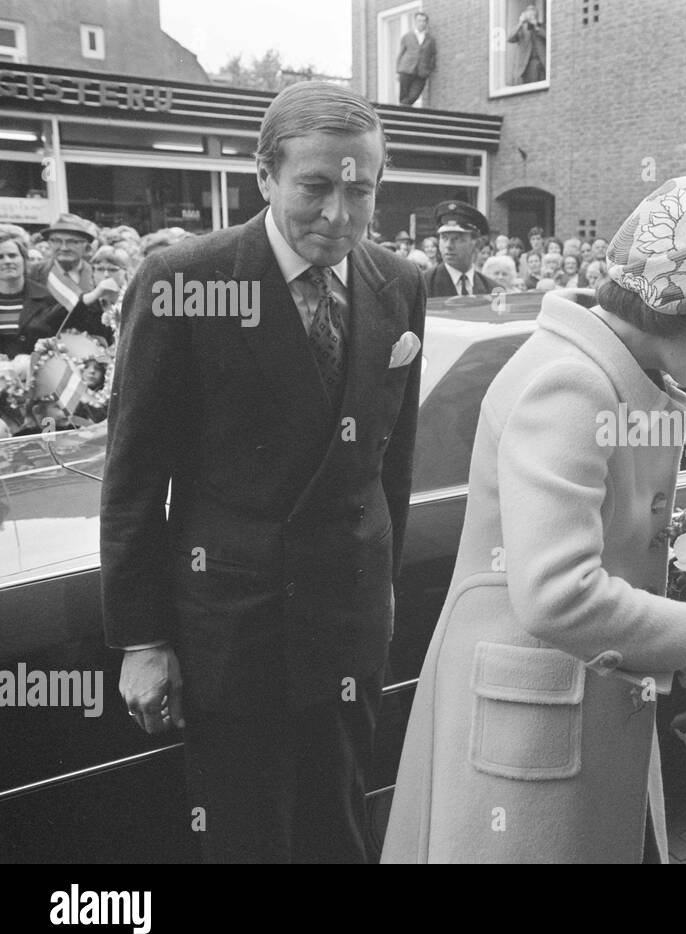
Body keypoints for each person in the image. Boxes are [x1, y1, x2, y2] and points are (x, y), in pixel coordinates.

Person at [381, 173, 686, 863]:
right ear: (681, 305)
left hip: (564, 707)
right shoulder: (572, 382)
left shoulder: (616, 370)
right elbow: (557, 592)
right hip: (534, 723)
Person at [101, 82, 426, 864]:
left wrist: (383, 587)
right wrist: (142, 640)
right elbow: (134, 475)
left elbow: (393, 462)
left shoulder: (401, 284)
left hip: (347, 626)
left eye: (362, 190)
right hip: (236, 629)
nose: (339, 215)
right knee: (248, 838)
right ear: (264, 176)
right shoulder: (186, 279)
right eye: (316, 186)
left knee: (339, 831)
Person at [16, 213, 97, 354]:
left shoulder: (97, 275)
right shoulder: (32, 274)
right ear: (49, 244)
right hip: (40, 357)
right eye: (57, 241)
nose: (64, 247)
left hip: (88, 357)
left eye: (72, 241)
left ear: (86, 246)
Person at [425, 200, 494, 297]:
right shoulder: (424, 285)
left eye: (457, 239)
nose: (448, 245)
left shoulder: (493, 290)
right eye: (444, 238)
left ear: (476, 243)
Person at [396, 11, 436, 106]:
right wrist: (398, 71)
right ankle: (403, 112)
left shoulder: (430, 39)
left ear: (426, 23)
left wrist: (430, 70)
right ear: (415, 22)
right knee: (404, 95)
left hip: (422, 72)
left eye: (424, 21)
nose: (421, 23)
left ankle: (403, 108)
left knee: (414, 95)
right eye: (419, 21)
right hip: (406, 69)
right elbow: (401, 53)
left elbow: (433, 55)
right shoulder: (407, 36)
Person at [508, 4, 547, 85]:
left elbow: (549, 37)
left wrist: (536, 27)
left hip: (542, 64)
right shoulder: (522, 29)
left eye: (533, 15)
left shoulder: (542, 27)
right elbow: (510, 38)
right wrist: (520, 23)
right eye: (529, 15)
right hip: (527, 65)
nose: (531, 17)